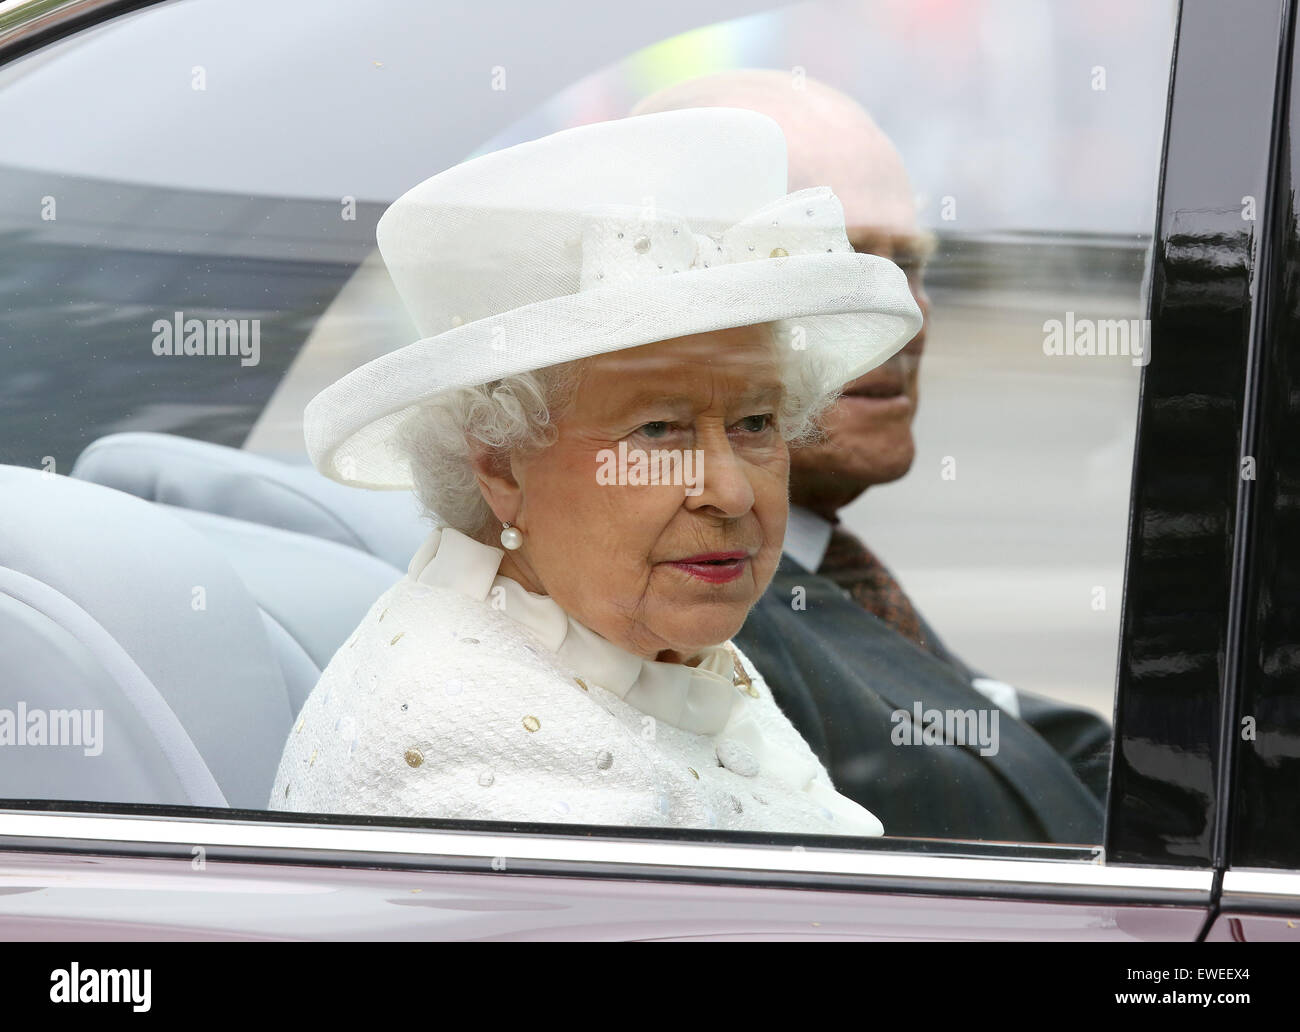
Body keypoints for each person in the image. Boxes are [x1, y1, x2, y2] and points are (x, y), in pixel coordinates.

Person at [267, 107, 925, 835]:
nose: (731, 490)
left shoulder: (621, 640)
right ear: (499, 465)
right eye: (657, 430)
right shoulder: (486, 759)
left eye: (755, 424)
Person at [633, 73, 1109, 843]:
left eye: (912, 266)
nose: (906, 315)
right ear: (681, 303)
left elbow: (1020, 741)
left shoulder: (809, 564)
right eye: (846, 266)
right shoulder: (693, 616)